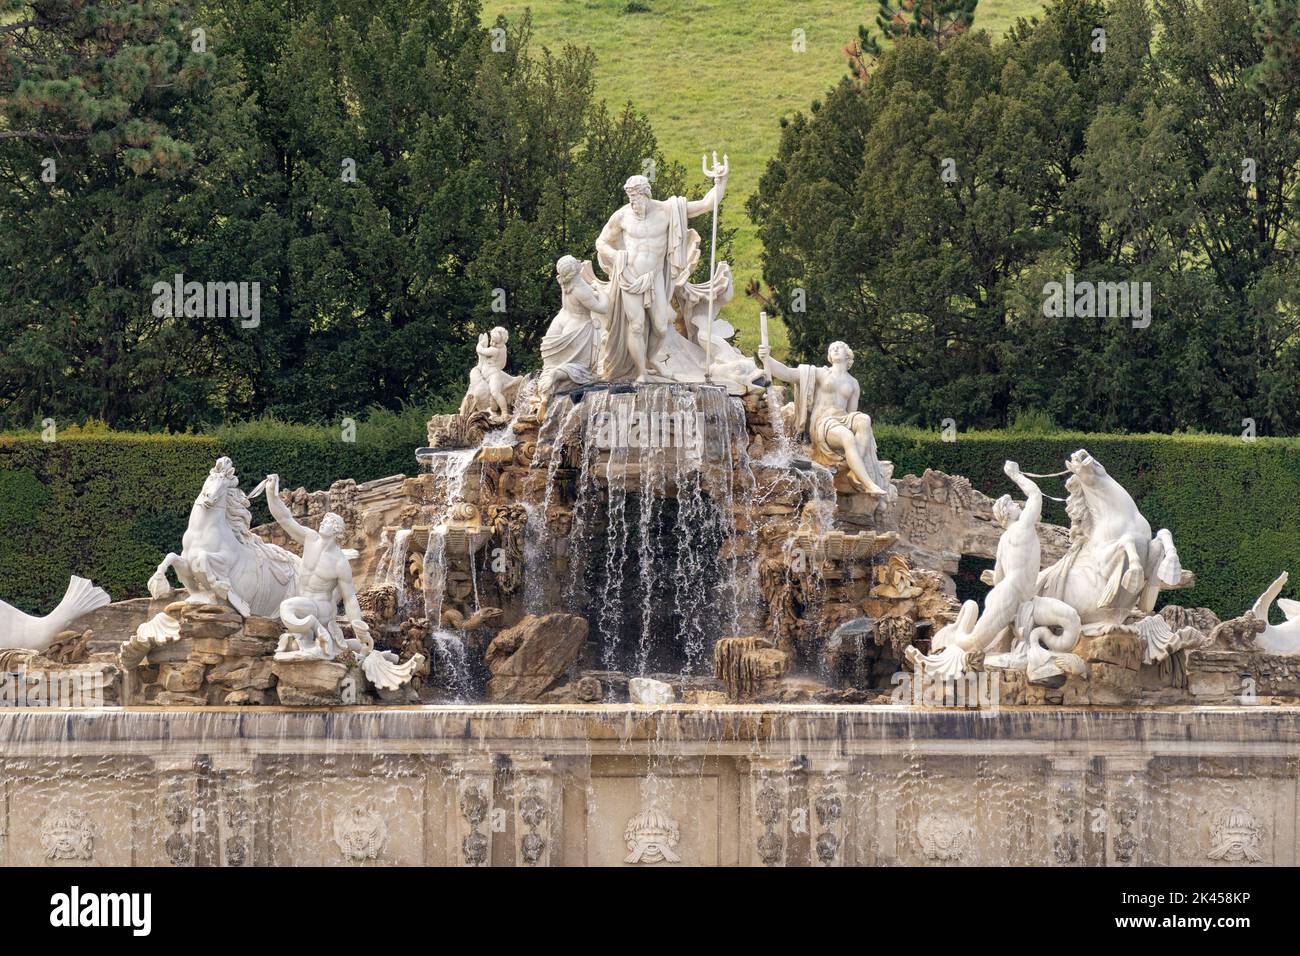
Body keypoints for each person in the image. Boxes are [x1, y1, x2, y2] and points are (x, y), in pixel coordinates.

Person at [758, 340, 895, 501]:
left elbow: (852, 413)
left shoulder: (853, 383)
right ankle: (868, 483)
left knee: (864, 419)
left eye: (839, 348)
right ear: (829, 356)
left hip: (842, 418)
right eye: (832, 349)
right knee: (847, 436)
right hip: (824, 422)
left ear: (848, 354)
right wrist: (767, 358)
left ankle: (854, 471)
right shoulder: (820, 373)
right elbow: (787, 373)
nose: (835, 350)